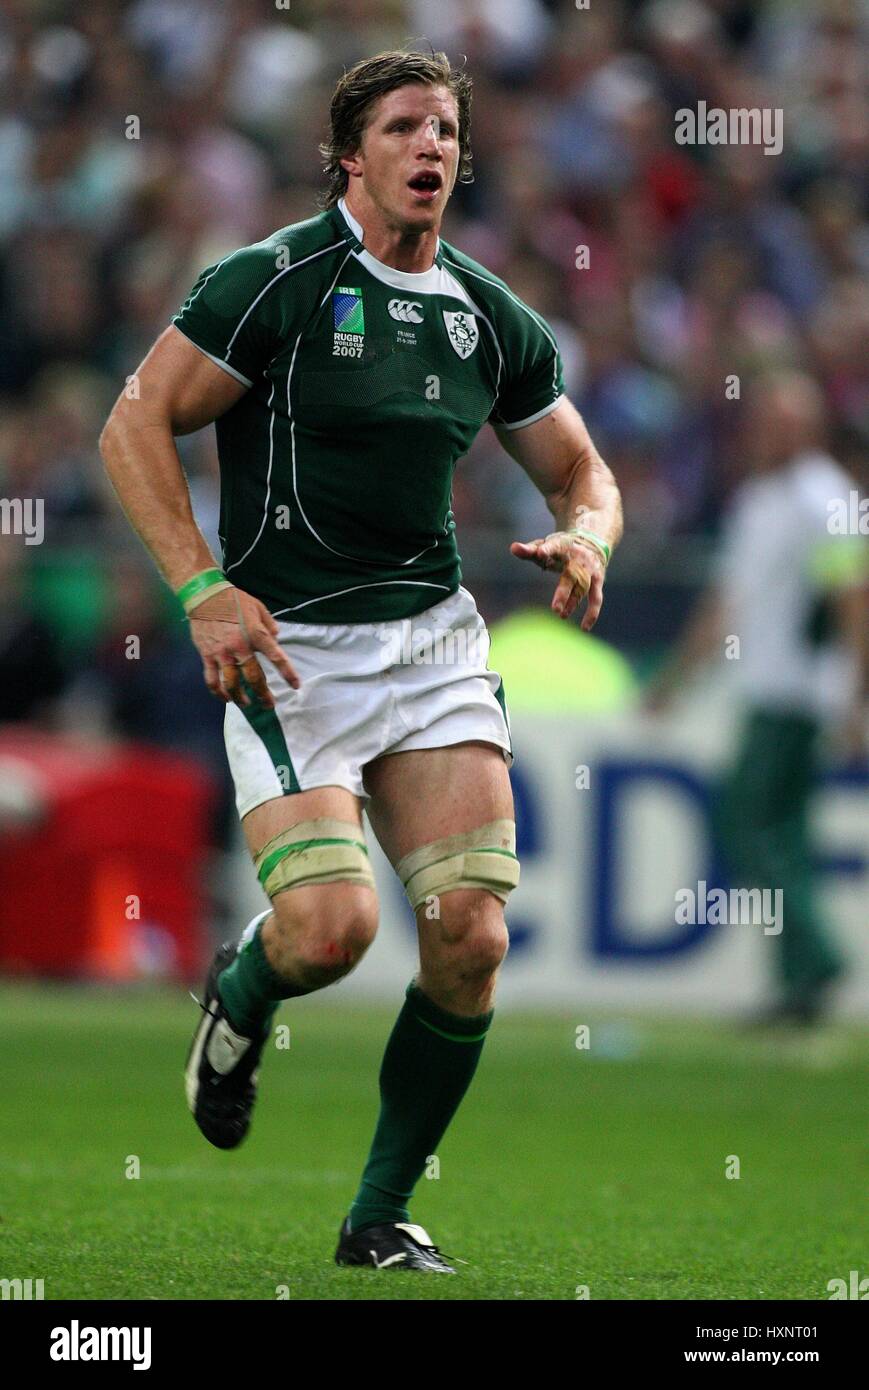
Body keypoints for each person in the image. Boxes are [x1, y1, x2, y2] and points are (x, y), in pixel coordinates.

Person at [99, 49, 622, 1273]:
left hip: (431, 640)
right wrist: (200, 587)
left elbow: (581, 472)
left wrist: (589, 538)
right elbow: (136, 418)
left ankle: (378, 1213)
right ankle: (239, 992)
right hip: (291, 648)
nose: (429, 147)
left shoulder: (488, 314)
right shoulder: (271, 282)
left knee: (471, 935)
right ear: (350, 154)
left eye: (444, 130)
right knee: (330, 931)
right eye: (402, 127)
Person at [649, 371, 868, 1026]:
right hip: (766, 686)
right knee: (784, 835)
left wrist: (855, 693)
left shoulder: (821, 498)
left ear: (807, 429)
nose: (768, 434)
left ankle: (816, 956)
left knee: (745, 821)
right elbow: (726, 604)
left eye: (782, 423)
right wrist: (674, 679)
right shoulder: (758, 499)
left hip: (796, 692)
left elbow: (849, 597)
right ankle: (797, 986)